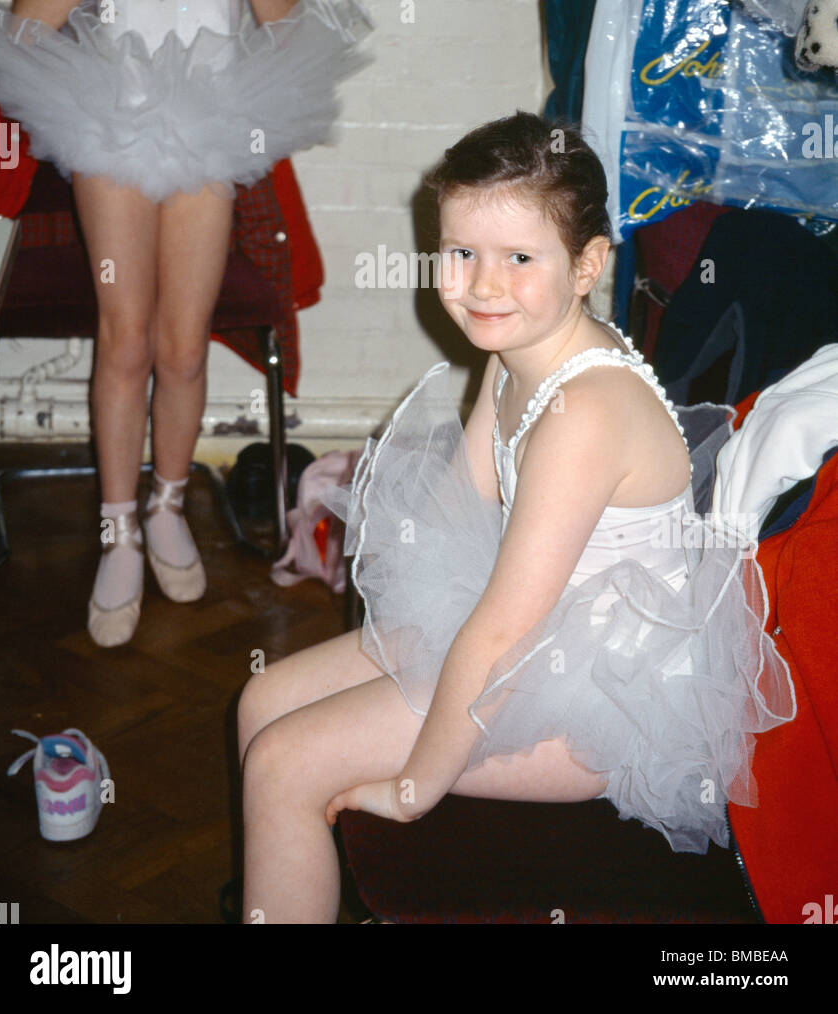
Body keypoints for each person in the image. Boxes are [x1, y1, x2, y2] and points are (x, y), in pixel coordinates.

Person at [237, 111, 795, 924]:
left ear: (587, 265)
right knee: (260, 704)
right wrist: (402, 635)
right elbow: (458, 504)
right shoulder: (515, 352)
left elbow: (500, 638)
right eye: (461, 253)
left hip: (605, 697)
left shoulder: (584, 411)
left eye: (519, 258)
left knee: (285, 763)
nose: (483, 284)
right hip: (531, 623)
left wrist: (411, 786)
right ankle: (281, 880)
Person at [0, 0, 370, 649]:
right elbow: (26, 21)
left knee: (182, 344)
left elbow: (286, 22)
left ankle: (167, 504)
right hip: (110, 132)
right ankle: (115, 528)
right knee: (125, 339)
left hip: (208, 134)